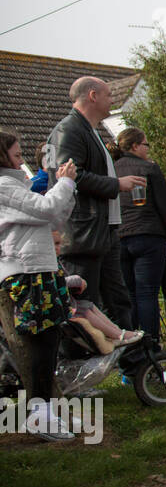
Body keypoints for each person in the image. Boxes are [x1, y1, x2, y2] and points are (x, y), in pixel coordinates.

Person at [47, 77, 147, 328]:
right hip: (83, 235)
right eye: (108, 95)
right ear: (93, 95)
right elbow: (70, 175)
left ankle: (132, 363)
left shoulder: (87, 130)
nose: (112, 100)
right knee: (84, 305)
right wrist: (116, 185)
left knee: (118, 302)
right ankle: (80, 363)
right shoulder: (68, 130)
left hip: (101, 231)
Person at [0, 132, 79, 440]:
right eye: (17, 156)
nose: (22, 161)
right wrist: (66, 183)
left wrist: (64, 188)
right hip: (27, 269)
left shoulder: (14, 185)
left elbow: (55, 218)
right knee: (40, 341)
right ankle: (39, 412)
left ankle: (43, 410)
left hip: (40, 267)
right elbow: (47, 209)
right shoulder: (4, 187)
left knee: (48, 340)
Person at [114, 128, 166, 341]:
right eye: (146, 144)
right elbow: (165, 205)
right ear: (135, 146)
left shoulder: (112, 170)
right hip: (148, 234)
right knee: (147, 294)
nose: (147, 149)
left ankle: (132, 344)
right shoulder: (149, 168)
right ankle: (151, 342)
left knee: (130, 294)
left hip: (120, 236)